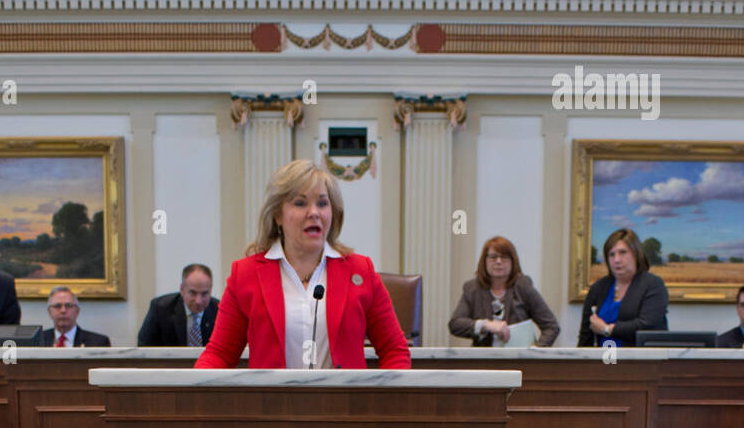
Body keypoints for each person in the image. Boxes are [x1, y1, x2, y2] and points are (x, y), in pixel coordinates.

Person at [195, 160, 410, 370]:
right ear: (278, 214)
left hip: (344, 405)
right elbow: (220, 355)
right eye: (300, 203)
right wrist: (191, 392)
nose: (314, 212)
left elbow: (394, 350)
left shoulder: (361, 271)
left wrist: (388, 403)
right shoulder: (246, 274)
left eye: (322, 203)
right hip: (272, 405)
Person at [448, 237, 559, 346]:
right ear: (484, 261)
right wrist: (486, 325)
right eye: (493, 257)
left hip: (518, 360)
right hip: (483, 360)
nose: (498, 261)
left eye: (504, 257)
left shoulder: (523, 286)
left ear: (513, 262)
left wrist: (535, 352)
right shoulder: (472, 288)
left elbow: (551, 326)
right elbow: (455, 324)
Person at [578, 228, 668, 347]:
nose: (617, 260)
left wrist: (607, 329)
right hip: (606, 360)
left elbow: (646, 325)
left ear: (636, 254)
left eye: (623, 252)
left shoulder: (653, 284)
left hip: (643, 361)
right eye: (611, 254)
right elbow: (586, 334)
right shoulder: (598, 287)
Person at [137, 264, 219, 347]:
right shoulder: (160, 308)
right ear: (182, 289)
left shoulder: (219, 311)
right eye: (192, 293)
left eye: (204, 293)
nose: (198, 301)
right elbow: (144, 346)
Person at [42, 286, 111, 347]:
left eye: (68, 306)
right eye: (57, 306)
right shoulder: (38, 341)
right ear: (49, 312)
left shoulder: (98, 343)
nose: (63, 310)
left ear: (77, 311)